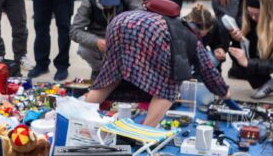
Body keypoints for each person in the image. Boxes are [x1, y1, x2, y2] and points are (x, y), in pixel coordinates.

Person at [84, 8, 229, 127]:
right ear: (204, 30)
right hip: (149, 31)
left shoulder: (171, 20)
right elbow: (208, 69)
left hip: (120, 21)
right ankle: (145, 133)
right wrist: (223, 92)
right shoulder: (190, 36)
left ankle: (81, 120)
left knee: (112, 74)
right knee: (168, 87)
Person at [70, 0, 134, 78]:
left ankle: (123, 73)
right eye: (107, 1)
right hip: (98, 38)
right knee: (84, 50)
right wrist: (96, 41)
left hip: (121, 37)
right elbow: (74, 31)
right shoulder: (88, 1)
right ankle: (100, 71)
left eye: (113, 1)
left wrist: (125, 36)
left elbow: (141, 19)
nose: (110, 5)